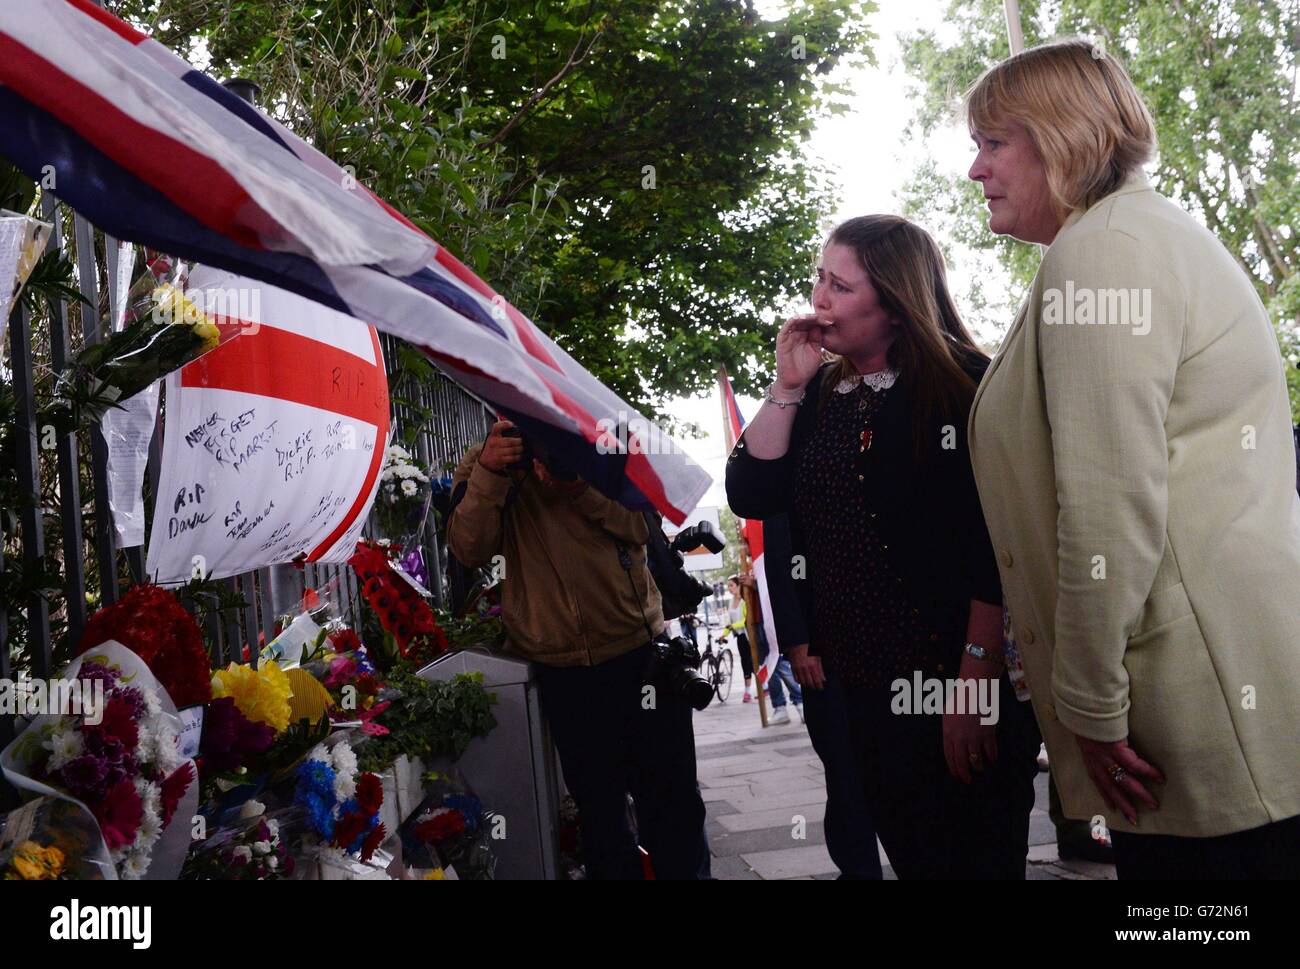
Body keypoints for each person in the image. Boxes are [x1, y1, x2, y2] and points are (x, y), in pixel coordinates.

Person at [965, 39, 1300, 879]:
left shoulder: (1104, 250)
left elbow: (1108, 501)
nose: (976, 169)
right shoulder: (1126, 236)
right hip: (1204, 684)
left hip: (1190, 702)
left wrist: (1089, 703)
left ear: (1059, 134)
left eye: (993, 142)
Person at [726, 214, 1040, 879]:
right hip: (866, 696)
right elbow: (753, 491)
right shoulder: (817, 395)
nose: (819, 299)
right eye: (819, 279)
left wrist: (974, 684)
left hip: (958, 680)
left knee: (979, 862)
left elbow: (994, 546)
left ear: (896, 302)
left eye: (840, 285)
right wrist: (785, 386)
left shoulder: (967, 384)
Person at [446, 420, 711, 879]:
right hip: (564, 671)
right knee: (602, 820)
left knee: (673, 809)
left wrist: (575, 482)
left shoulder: (602, 442)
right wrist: (489, 472)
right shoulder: (488, 458)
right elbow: (468, 550)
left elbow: (637, 525)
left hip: (639, 655)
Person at [765, 513, 882, 878]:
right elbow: (782, 559)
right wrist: (799, 642)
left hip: (883, 642)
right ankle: (859, 870)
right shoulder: (792, 463)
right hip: (827, 651)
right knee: (846, 772)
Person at [721, 575, 759, 702]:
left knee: (753, 663)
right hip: (740, 638)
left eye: (731, 585)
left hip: (748, 636)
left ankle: (763, 687)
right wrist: (724, 634)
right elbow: (729, 622)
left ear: (738, 586)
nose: (729, 588)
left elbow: (746, 620)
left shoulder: (744, 600)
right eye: (728, 586)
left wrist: (733, 626)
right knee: (745, 663)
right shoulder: (731, 602)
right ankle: (748, 692)